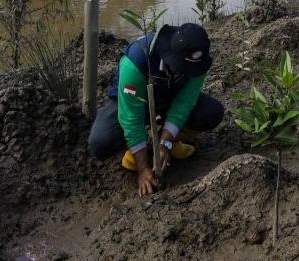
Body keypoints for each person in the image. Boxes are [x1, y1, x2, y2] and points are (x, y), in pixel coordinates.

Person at [88, 22, 223, 197]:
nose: (189, 72)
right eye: (182, 68)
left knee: (211, 113)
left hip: (169, 99)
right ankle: (135, 150)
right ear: (170, 56)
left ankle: (170, 143)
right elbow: (131, 118)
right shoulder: (135, 61)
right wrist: (143, 168)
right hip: (134, 102)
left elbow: (184, 103)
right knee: (100, 142)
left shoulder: (198, 60)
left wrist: (165, 143)